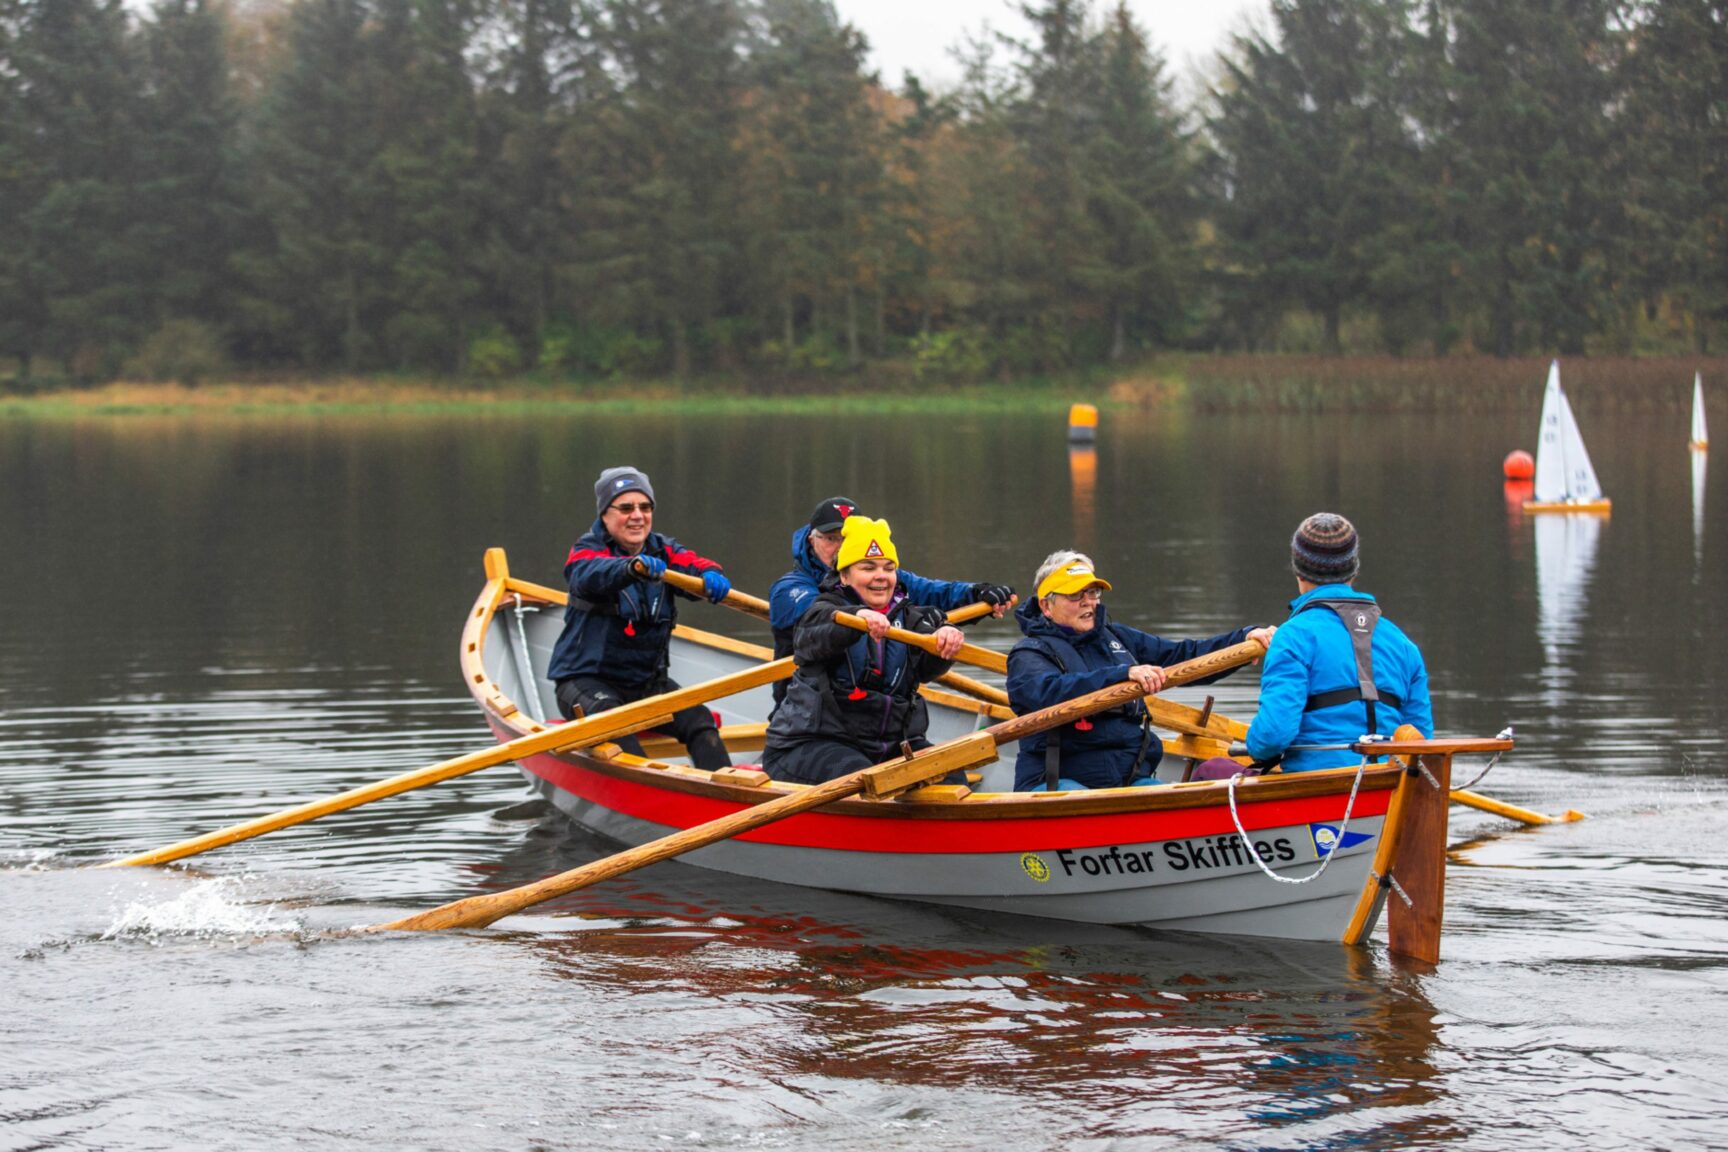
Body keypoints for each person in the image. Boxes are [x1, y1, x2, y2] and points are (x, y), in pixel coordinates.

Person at [1005, 550, 1275, 791]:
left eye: (1093, 592)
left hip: (1127, 779)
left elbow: (1182, 656)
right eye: (1076, 595)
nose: (1089, 602)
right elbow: (1048, 692)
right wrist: (1122, 675)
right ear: (1046, 606)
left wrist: (1243, 640)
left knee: (1173, 791)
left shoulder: (1118, 638)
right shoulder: (1030, 653)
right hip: (1057, 782)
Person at [546, 466, 735, 771]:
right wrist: (629, 568)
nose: (637, 516)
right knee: (614, 722)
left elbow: (695, 564)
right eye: (626, 508)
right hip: (584, 682)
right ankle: (657, 800)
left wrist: (711, 574)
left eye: (645, 507)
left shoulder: (663, 550)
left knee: (700, 720)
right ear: (605, 515)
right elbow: (585, 576)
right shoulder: (586, 551)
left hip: (648, 687)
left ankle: (731, 797)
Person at [762, 516, 966, 785]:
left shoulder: (912, 618)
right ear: (845, 575)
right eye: (868, 568)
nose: (880, 576)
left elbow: (927, 669)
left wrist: (945, 641)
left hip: (892, 745)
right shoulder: (821, 611)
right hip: (812, 743)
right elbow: (812, 635)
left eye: (888, 568)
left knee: (953, 773)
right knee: (863, 779)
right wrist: (857, 617)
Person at [767, 496, 1014, 706]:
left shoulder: (881, 578)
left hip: (874, 710)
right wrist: (862, 614)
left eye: (847, 537)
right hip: (808, 711)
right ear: (812, 540)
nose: (841, 547)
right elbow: (819, 616)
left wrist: (977, 595)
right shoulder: (789, 589)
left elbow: (936, 593)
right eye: (832, 539)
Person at [1244, 513, 1433, 772]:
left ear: (1298, 571)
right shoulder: (1403, 644)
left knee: (1212, 771)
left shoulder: (1293, 637)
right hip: (1389, 788)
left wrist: (1252, 744)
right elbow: (1421, 739)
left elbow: (1272, 737)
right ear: (1353, 571)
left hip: (1316, 788)